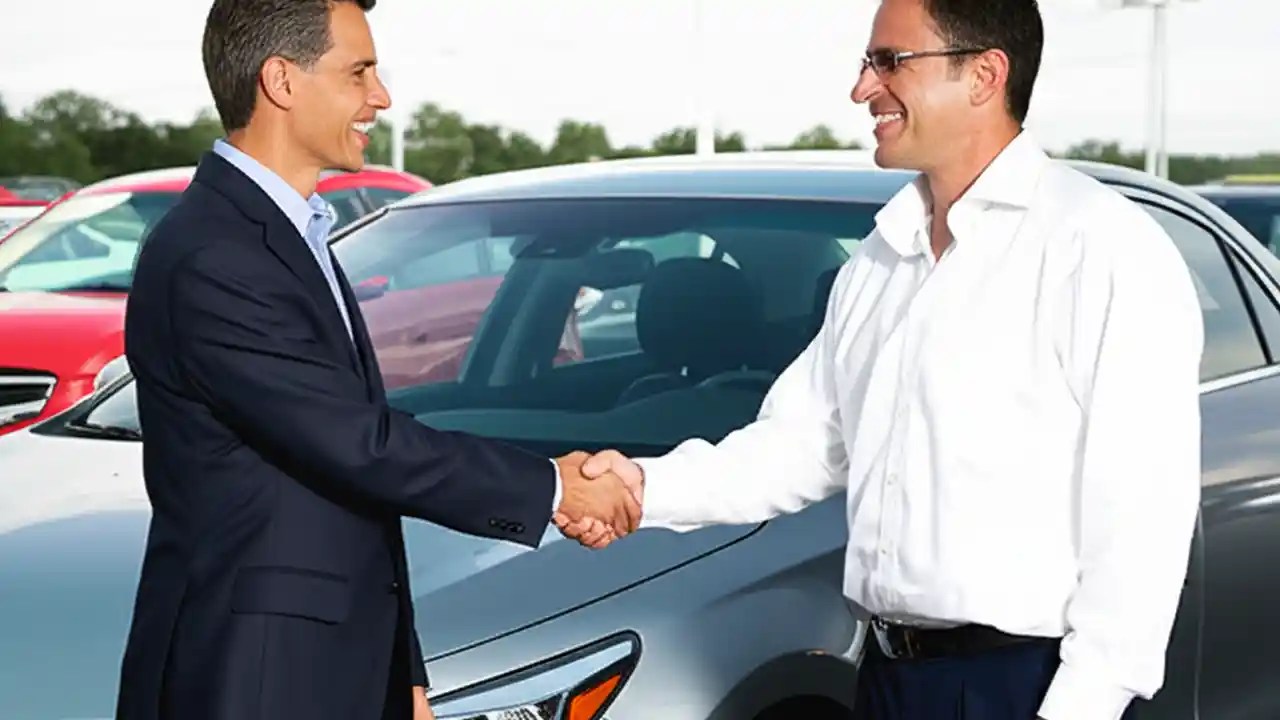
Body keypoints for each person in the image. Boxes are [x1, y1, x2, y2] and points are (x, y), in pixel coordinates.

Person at [557, 0, 1204, 718]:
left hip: (1027, 686)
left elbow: (1143, 517)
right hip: (890, 679)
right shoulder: (881, 257)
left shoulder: (1101, 248)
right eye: (868, 63)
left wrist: (1084, 704)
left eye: (890, 62)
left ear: (984, 75)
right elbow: (799, 446)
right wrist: (640, 487)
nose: (862, 88)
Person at [115, 1, 638, 719]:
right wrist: (554, 488)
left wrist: (404, 674)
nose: (381, 97)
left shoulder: (287, 233)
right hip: (258, 679)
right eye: (358, 72)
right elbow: (359, 444)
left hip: (326, 668)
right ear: (282, 81)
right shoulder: (216, 253)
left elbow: (346, 488)